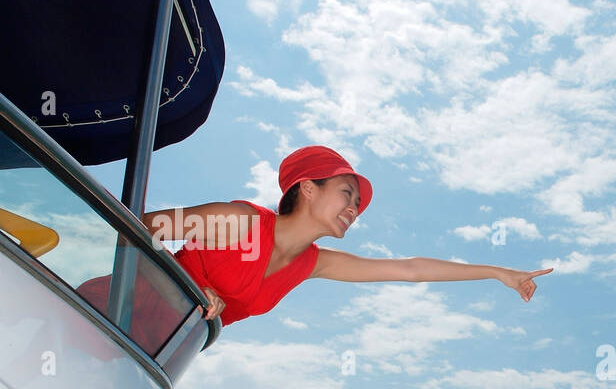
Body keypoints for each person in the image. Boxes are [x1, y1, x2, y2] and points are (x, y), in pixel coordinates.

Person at [78, 145, 551, 345]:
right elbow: (135, 227)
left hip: (151, 354)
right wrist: (181, 289)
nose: (355, 208)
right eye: (348, 193)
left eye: (359, 204)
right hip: (95, 316)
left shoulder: (310, 264)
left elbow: (408, 269)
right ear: (307, 187)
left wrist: (497, 272)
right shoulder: (240, 222)